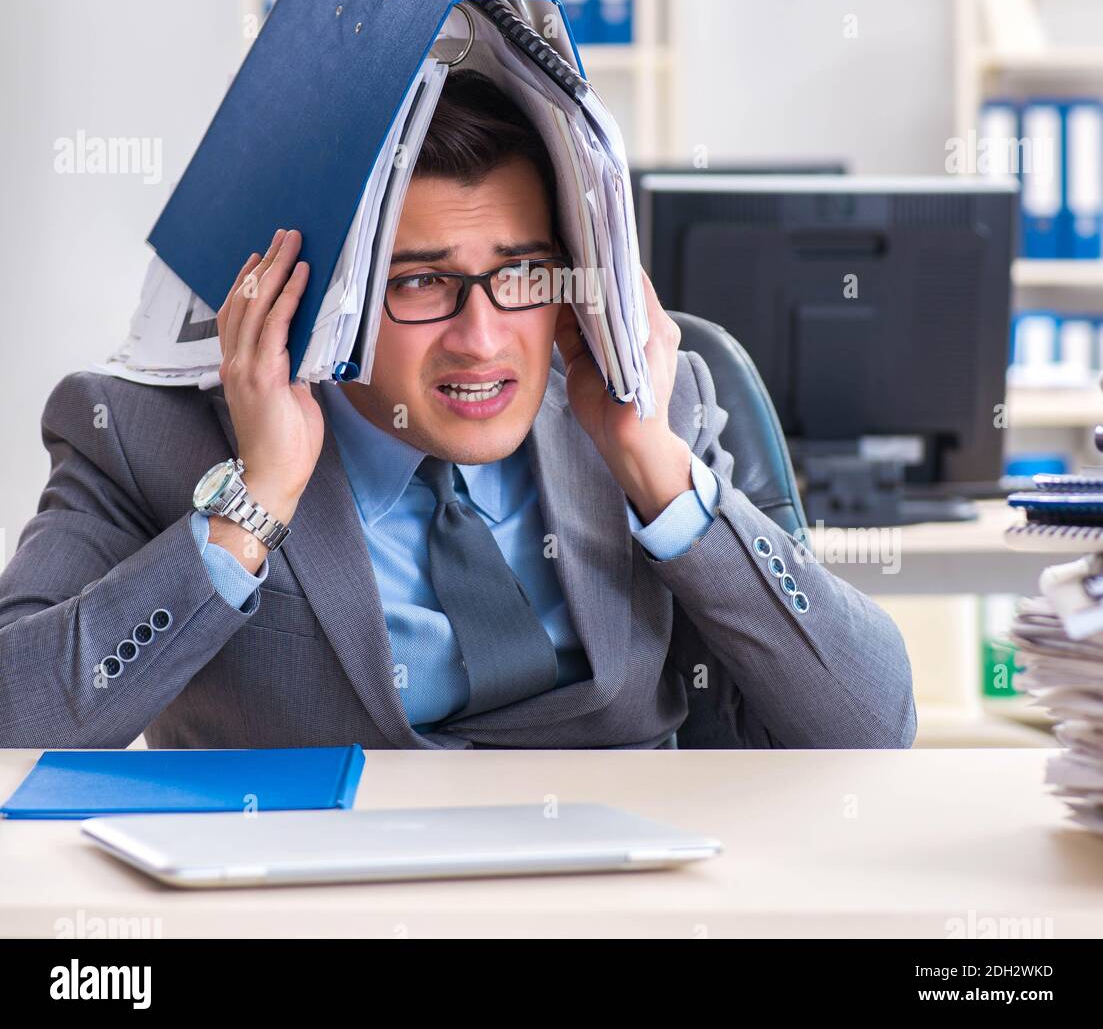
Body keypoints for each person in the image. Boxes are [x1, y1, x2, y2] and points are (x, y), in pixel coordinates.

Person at [0, 71, 915, 750]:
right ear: (329, 301)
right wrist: (255, 500)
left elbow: (874, 727)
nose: (482, 339)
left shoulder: (658, 401)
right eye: (423, 282)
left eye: (520, 274)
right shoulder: (142, 434)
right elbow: (15, 723)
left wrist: (657, 473)